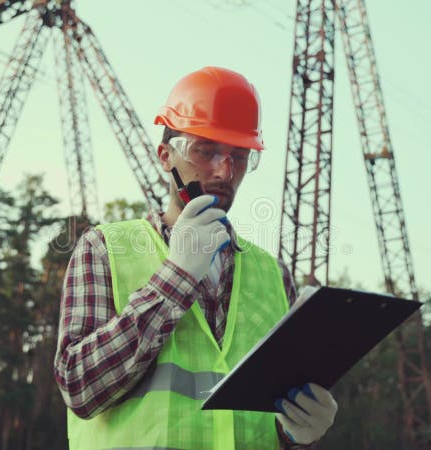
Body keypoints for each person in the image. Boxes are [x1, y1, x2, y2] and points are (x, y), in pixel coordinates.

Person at [54, 66, 338, 449]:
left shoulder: (274, 276)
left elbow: (261, 424)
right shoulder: (104, 248)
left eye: (239, 157)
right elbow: (80, 387)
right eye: (206, 151)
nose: (224, 171)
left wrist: (296, 433)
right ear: (165, 156)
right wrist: (176, 276)